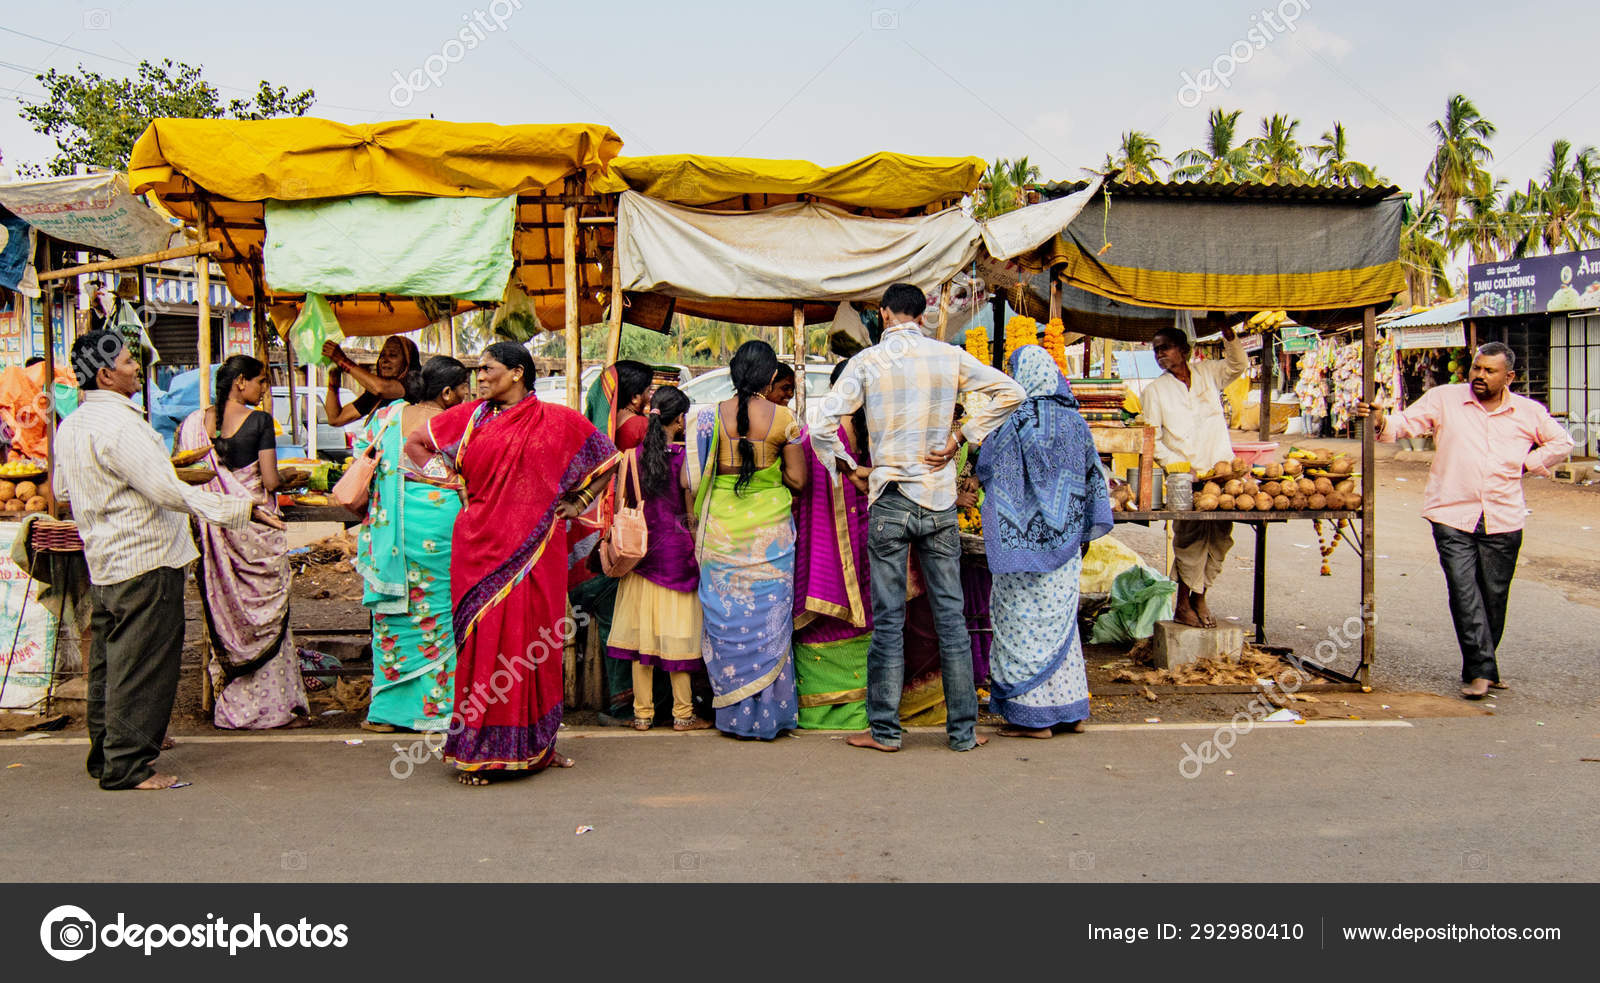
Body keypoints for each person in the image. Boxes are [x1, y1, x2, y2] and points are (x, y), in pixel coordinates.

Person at [54, 331, 281, 788]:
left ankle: (107, 754)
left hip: (106, 561)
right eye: (128, 362)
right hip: (146, 560)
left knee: (110, 663)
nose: (137, 368)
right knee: (144, 666)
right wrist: (239, 508)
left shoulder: (73, 425)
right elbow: (166, 491)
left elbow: (62, 489)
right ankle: (128, 766)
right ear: (106, 375)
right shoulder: (123, 426)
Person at [813, 282, 1024, 753]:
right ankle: (963, 732)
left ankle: (884, 732)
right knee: (951, 618)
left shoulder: (867, 362)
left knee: (888, 620)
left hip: (889, 498)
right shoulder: (947, 357)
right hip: (938, 501)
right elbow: (1011, 392)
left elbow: (821, 424)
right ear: (922, 316)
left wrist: (849, 469)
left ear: (885, 314)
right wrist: (960, 437)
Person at [405, 342, 619, 784]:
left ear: (518, 372)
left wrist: (579, 501)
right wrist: (453, 482)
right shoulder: (469, 419)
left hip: (537, 551)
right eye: (479, 370)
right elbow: (416, 444)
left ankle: (538, 747)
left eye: (488, 369)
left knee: (534, 648)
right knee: (483, 649)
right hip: (479, 550)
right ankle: (478, 752)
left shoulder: (557, 421)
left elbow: (607, 458)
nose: (480, 376)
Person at [1356, 342, 1571, 699]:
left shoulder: (1529, 412)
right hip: (1451, 514)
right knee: (1464, 591)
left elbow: (1561, 442)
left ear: (1509, 377)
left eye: (1489, 371)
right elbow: (1405, 423)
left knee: (1494, 597)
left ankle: (1483, 666)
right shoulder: (1445, 399)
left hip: (1503, 517)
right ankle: (1481, 672)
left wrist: (1529, 463)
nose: (1479, 376)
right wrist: (1380, 419)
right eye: (1476, 368)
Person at [976, 346, 1113, 737]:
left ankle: (1031, 719)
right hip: (1066, 546)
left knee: (1021, 626)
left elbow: (988, 467)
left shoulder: (1011, 419)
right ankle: (1071, 712)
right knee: (1061, 629)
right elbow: (1093, 478)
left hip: (1019, 549)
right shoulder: (1075, 421)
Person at [684, 340, 808, 739]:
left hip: (720, 533)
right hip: (769, 537)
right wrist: (769, 472)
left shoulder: (707, 417)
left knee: (726, 617)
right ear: (771, 377)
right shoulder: (784, 418)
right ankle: (770, 714)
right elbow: (799, 480)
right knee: (769, 623)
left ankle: (732, 714)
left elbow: (690, 479)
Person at [176, 355, 308, 730]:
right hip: (255, 531)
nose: (265, 389)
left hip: (218, 534)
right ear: (240, 383)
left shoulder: (195, 423)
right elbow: (270, 481)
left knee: (229, 620)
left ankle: (233, 706)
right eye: (261, 381)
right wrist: (291, 477)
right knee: (269, 621)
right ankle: (274, 708)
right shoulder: (260, 421)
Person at [355, 356, 473, 733]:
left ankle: (387, 712)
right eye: (464, 389)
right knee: (440, 613)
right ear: (447, 392)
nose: (468, 395)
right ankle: (438, 710)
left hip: (390, 529)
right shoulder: (455, 422)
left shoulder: (386, 416)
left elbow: (361, 453)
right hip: (440, 527)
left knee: (394, 617)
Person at [604, 386, 712, 731]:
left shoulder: (630, 457)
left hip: (639, 557)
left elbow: (622, 503)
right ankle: (683, 714)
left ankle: (642, 714)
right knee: (679, 636)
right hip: (677, 557)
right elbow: (691, 513)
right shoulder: (684, 459)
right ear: (679, 420)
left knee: (641, 641)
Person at [1140, 322, 1247, 628]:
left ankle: (1200, 596)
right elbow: (1153, 439)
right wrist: (1178, 465)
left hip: (1221, 475)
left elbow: (1238, 365)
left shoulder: (1208, 373)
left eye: (1165, 348)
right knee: (1190, 541)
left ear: (1184, 350)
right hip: (1186, 478)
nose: (1160, 355)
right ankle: (1183, 604)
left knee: (1219, 539)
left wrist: (1229, 334)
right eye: (1156, 350)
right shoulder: (1155, 391)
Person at [790, 358, 873, 728]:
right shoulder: (821, 436)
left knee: (857, 619)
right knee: (846, 619)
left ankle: (844, 712)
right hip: (840, 547)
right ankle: (840, 712)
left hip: (847, 547)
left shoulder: (829, 434)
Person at [575, 359, 658, 724]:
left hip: (593, 541)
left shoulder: (600, 434)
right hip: (625, 538)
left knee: (613, 620)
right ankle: (626, 703)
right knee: (624, 622)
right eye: (648, 390)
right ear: (635, 396)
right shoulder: (639, 427)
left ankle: (623, 701)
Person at [322, 336, 421, 427]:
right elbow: (335, 419)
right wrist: (333, 378)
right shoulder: (375, 396)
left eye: (393, 355)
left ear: (407, 361)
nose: (385, 360)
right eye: (382, 355)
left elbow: (380, 388)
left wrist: (342, 361)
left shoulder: (414, 383)